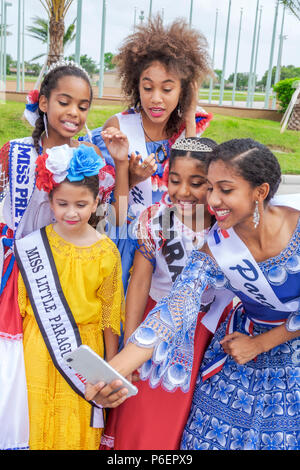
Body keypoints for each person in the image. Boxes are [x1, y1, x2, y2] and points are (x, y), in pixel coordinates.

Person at [86, 139, 300, 450]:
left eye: (225, 190)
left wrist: (261, 344)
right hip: (239, 344)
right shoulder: (216, 246)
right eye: (210, 188)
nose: (212, 199)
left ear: (260, 192)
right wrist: (114, 372)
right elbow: (172, 312)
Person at [0, 61, 128, 450]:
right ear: (42, 102)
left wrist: (120, 163)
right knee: (17, 382)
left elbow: (117, 216)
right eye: (64, 101)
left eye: (84, 105)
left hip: (71, 281)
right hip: (18, 277)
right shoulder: (14, 153)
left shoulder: (92, 161)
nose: (74, 112)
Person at [100, 137, 232, 450]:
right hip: (153, 325)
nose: (183, 191)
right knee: (142, 412)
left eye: (196, 182)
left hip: (204, 333)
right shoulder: (156, 220)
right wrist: (129, 344)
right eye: (174, 180)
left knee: (181, 416)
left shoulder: (228, 228)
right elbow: (139, 284)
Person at [80, 15, 213, 291]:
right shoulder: (119, 128)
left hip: (172, 246)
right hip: (125, 242)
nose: (156, 98)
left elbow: (196, 192)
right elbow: (106, 214)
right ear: (135, 85)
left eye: (168, 89)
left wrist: (189, 116)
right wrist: (131, 177)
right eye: (147, 87)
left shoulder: (187, 132)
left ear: (182, 90)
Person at [14, 144, 125, 450]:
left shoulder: (107, 251)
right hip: (36, 345)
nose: (72, 212)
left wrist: (111, 366)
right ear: (50, 201)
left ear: (96, 202)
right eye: (62, 203)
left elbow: (110, 314)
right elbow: (21, 306)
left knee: (73, 423)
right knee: (33, 418)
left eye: (81, 204)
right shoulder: (33, 245)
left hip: (85, 351)